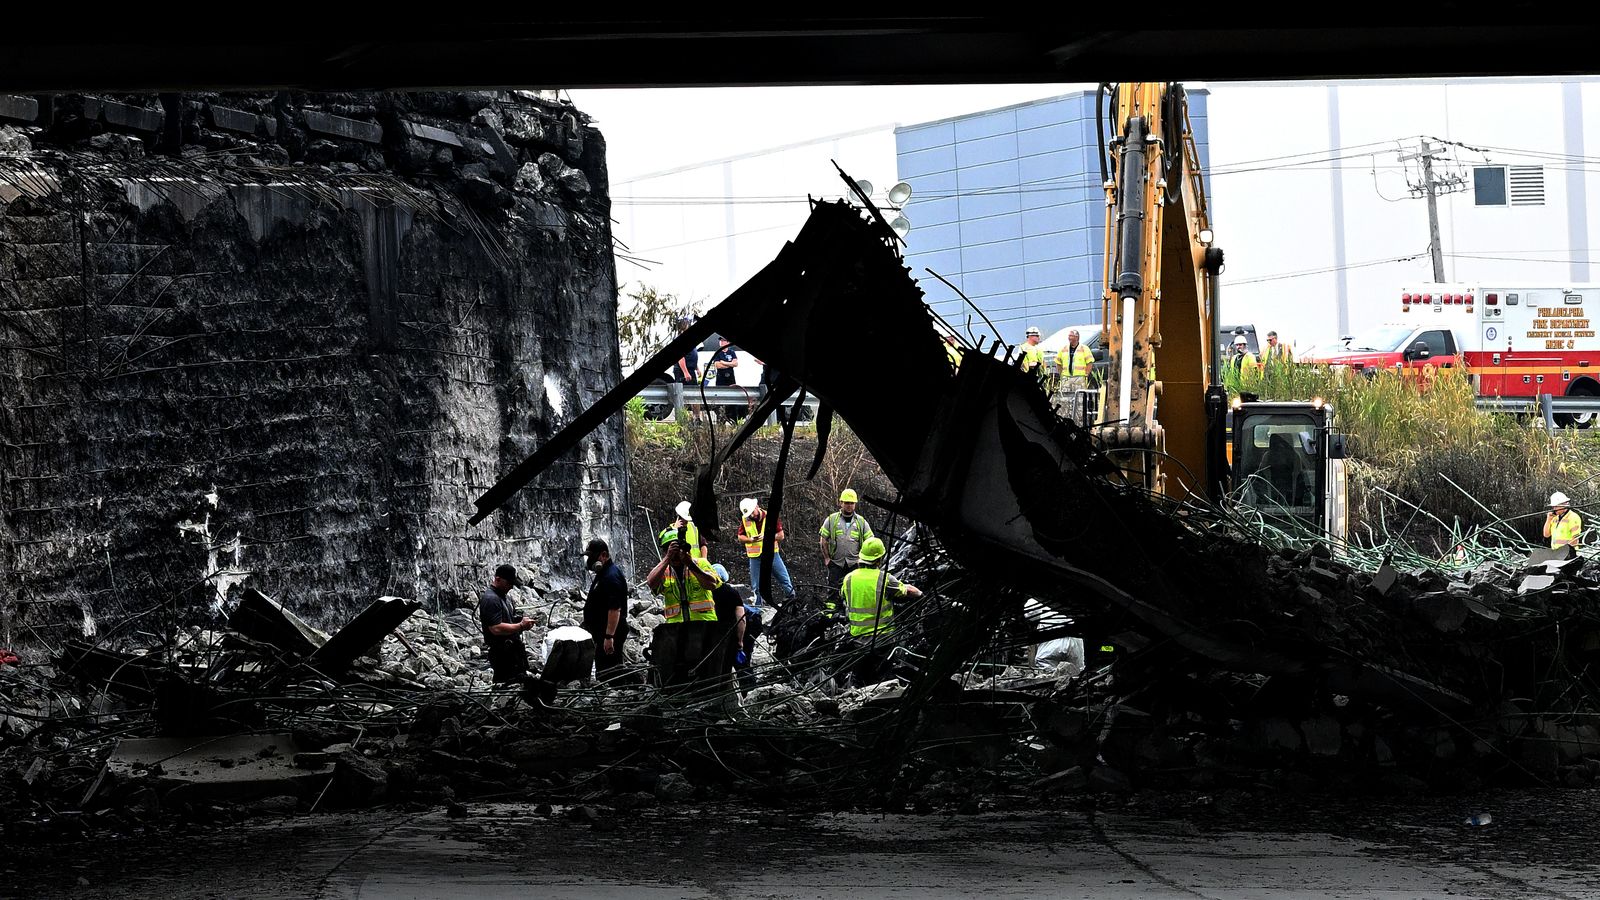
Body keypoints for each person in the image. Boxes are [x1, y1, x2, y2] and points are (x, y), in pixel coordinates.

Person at [836, 537, 923, 685]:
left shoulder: (848, 579)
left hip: (858, 641)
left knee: (861, 682)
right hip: (883, 642)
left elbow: (842, 596)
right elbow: (906, 591)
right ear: (879, 560)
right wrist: (921, 594)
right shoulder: (884, 579)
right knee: (883, 682)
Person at [479, 563, 537, 687]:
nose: (511, 587)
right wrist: (521, 626)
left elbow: (508, 620)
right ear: (498, 579)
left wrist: (521, 620)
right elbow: (496, 628)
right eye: (508, 583)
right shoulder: (491, 599)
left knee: (519, 684)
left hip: (512, 651)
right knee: (507, 686)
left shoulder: (503, 596)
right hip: (502, 654)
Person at [581, 538, 629, 680]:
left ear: (603, 555)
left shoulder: (611, 577)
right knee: (605, 669)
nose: (589, 560)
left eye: (591, 556)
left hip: (610, 633)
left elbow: (614, 609)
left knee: (609, 673)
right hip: (603, 632)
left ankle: (615, 697)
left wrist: (609, 637)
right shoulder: (604, 574)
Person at [819, 488, 874, 601]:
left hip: (854, 564)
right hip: (836, 563)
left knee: (854, 591)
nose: (849, 505)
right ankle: (831, 613)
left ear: (855, 504)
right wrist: (827, 558)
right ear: (841, 503)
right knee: (833, 590)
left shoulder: (861, 522)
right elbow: (823, 539)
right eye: (847, 503)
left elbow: (870, 541)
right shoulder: (832, 519)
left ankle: (849, 612)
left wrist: (864, 560)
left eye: (852, 503)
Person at [739, 497, 796, 606]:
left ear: (757, 507)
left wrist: (768, 537)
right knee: (756, 586)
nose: (752, 516)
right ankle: (758, 608)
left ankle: (793, 602)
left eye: (753, 513)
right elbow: (740, 537)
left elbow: (781, 535)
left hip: (771, 554)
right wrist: (750, 539)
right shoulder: (746, 519)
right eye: (749, 514)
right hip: (755, 557)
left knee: (784, 579)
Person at [672, 315, 699, 385]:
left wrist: (697, 368)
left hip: (690, 370)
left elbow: (692, 356)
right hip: (682, 371)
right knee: (685, 392)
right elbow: (681, 358)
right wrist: (685, 372)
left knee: (694, 391)